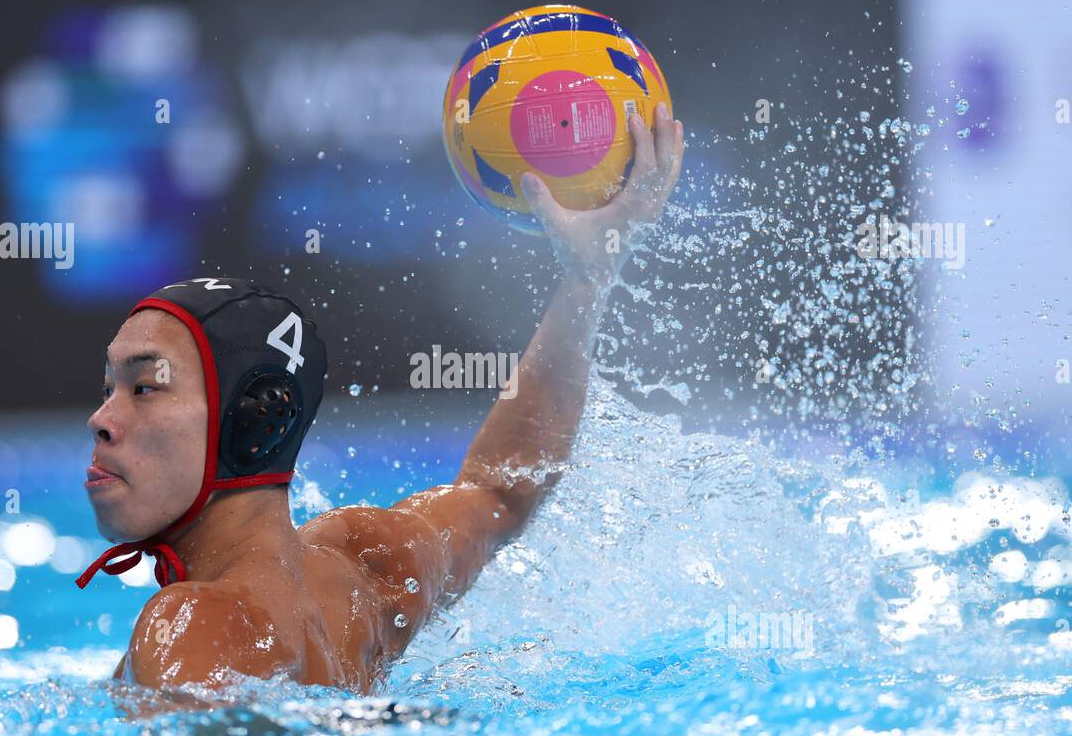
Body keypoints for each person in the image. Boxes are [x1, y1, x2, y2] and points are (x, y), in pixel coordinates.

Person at [79, 104, 684, 694]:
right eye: (109, 387)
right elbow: (502, 490)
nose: (101, 419)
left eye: (144, 388)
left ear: (250, 423)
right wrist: (586, 280)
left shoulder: (186, 628)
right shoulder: (365, 568)